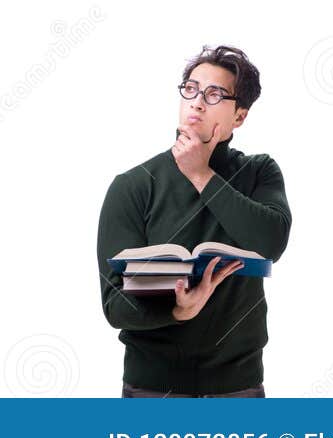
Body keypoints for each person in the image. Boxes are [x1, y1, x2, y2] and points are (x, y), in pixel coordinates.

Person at [96, 45, 290, 398]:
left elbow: (271, 243)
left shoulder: (259, 172)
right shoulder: (133, 186)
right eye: (191, 89)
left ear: (239, 116)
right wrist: (177, 310)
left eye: (215, 94)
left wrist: (201, 175)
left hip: (238, 390)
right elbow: (114, 303)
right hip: (152, 391)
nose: (198, 102)